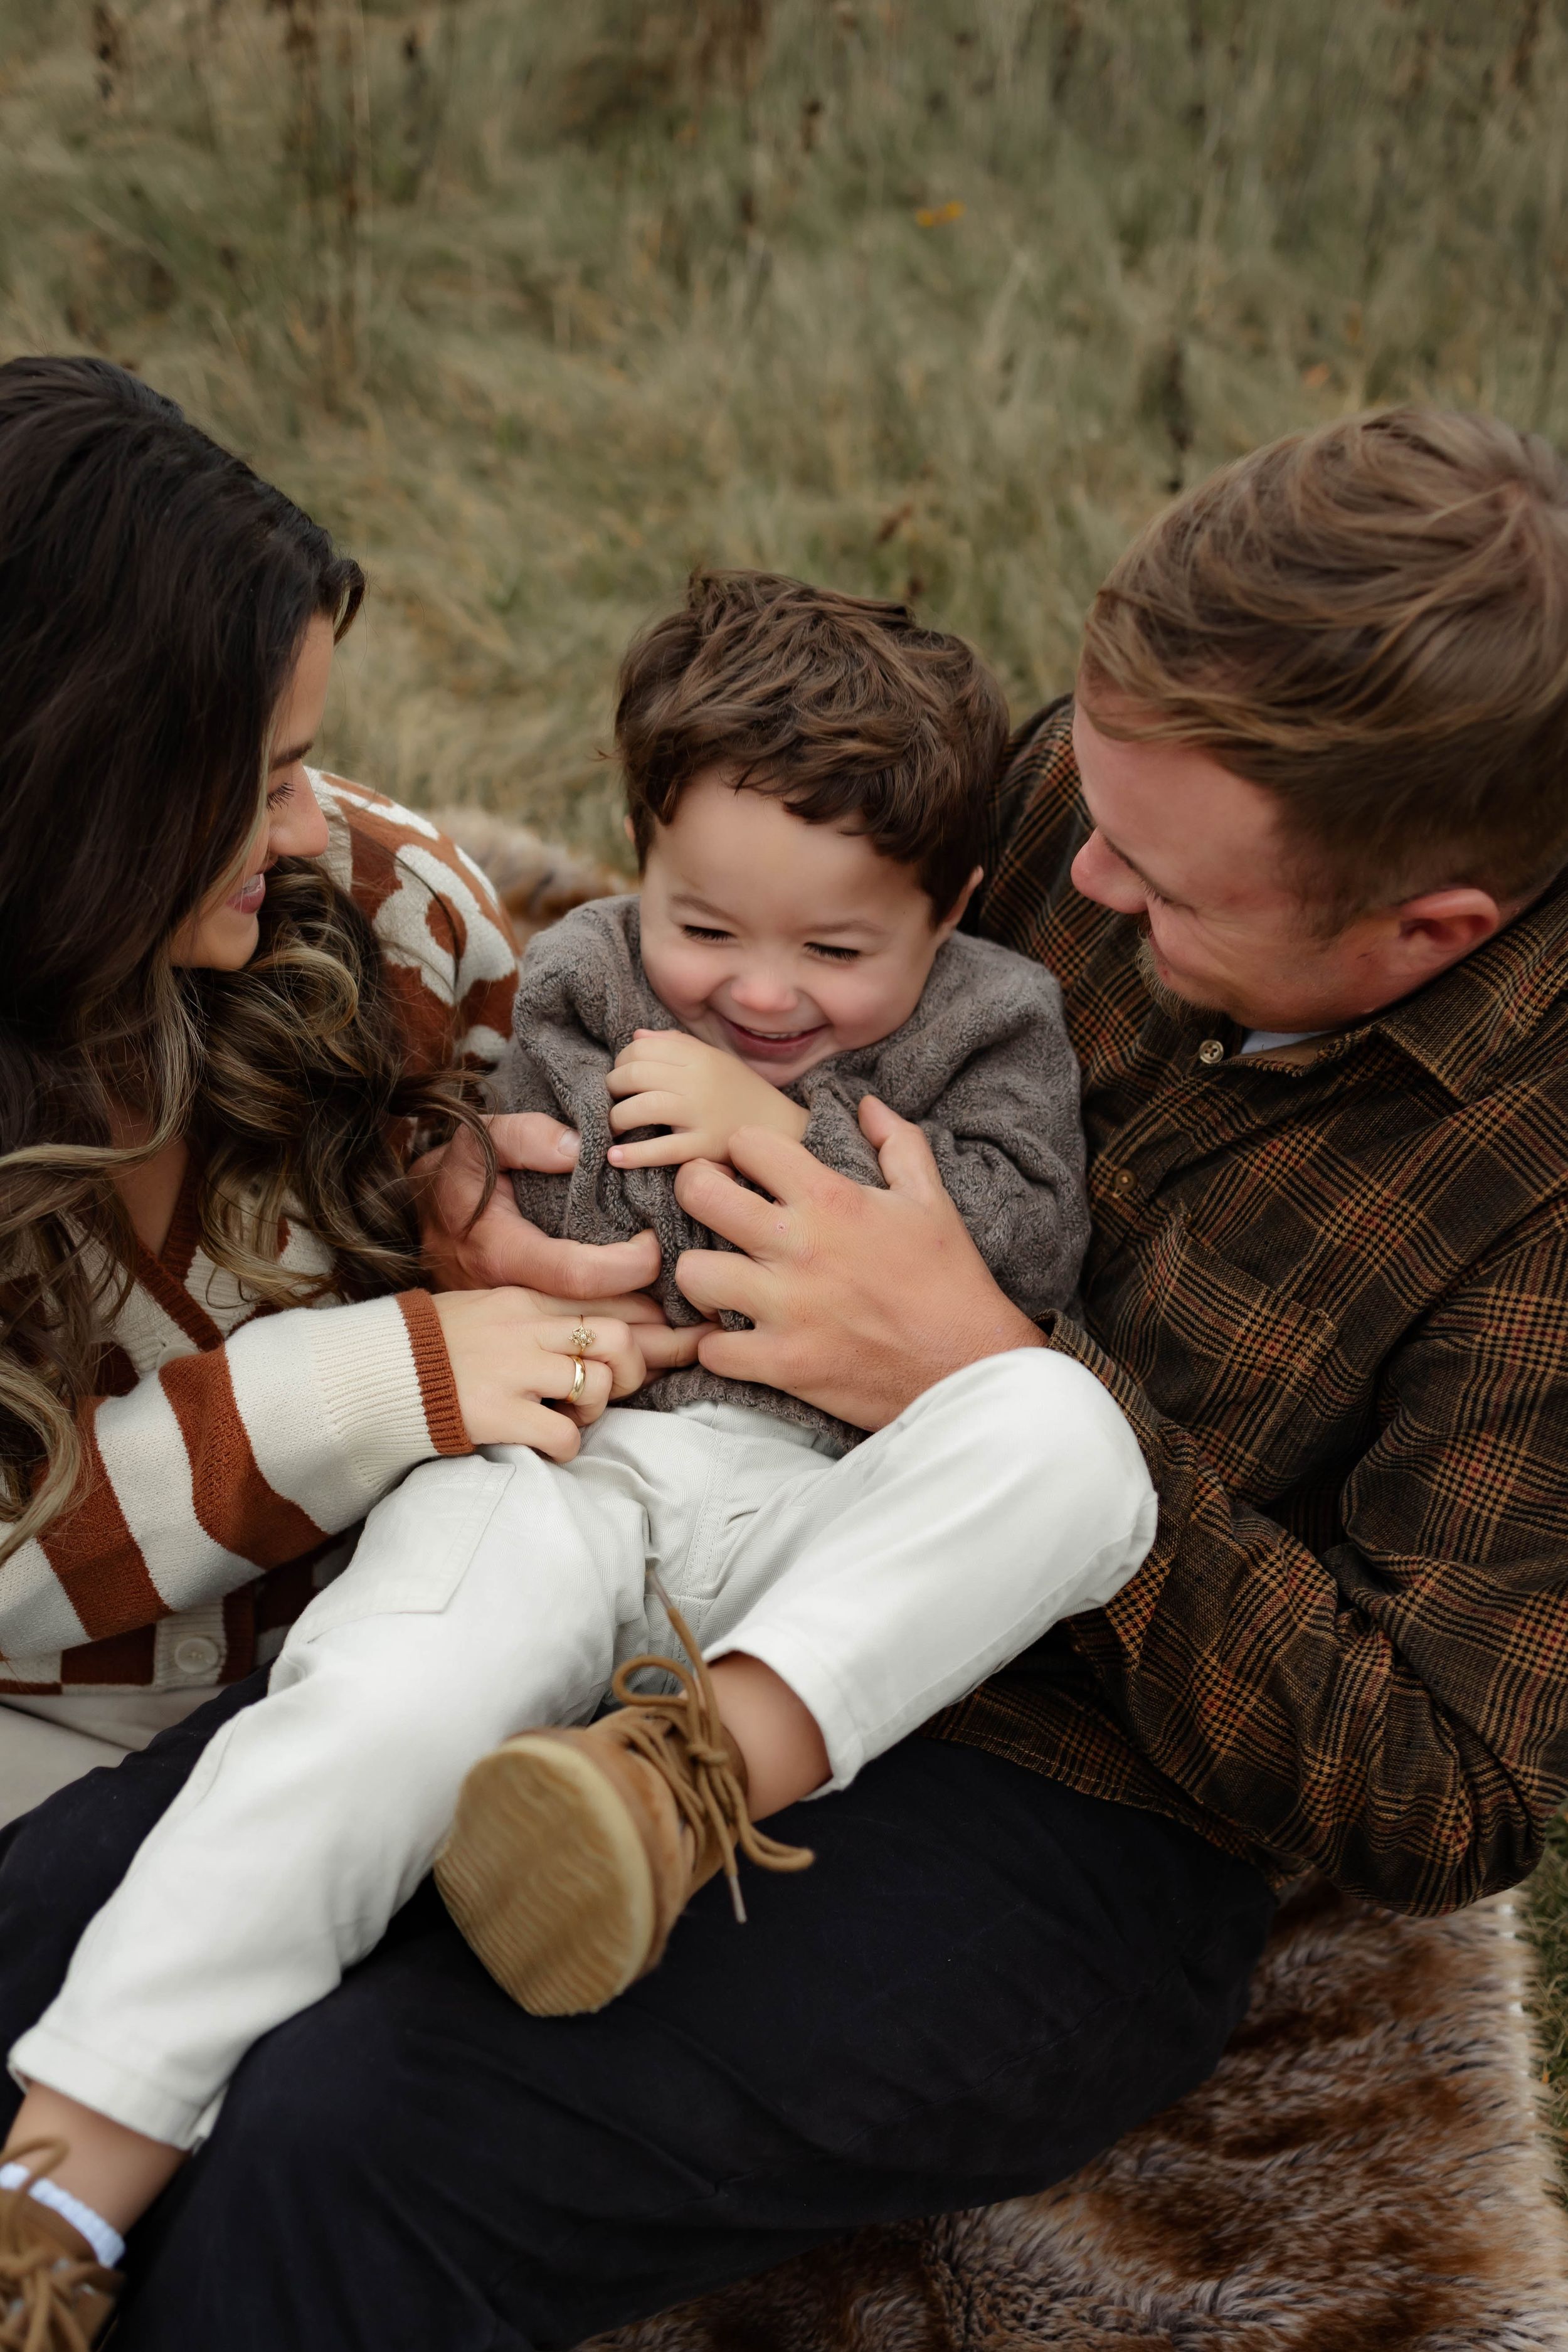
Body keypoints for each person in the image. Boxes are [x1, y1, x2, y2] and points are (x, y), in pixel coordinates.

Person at [3, 404, 1566, 2352]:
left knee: (349, 2130)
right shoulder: (1082, 817)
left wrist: (973, 1360)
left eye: (1164, 893)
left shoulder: (1535, 1202)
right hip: (628, 1523)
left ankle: (665, 1797)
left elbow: (1446, 1794)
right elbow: (694, 984)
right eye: (1074, 802)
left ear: (1431, 930)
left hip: (1044, 1787)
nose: (1070, 879)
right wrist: (488, 1192)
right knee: (54, 1922)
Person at [0, 577, 1157, 2338]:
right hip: (574, 1467)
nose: (759, 990)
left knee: (1073, 1438)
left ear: (952, 909)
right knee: (364, 1724)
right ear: (640, 861)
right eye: (708, 927)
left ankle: (668, 1788)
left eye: (837, 953)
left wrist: (788, 1133)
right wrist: (511, 1213)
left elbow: (1016, 1246)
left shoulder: (996, 1020)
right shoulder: (587, 973)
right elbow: (560, 1221)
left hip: (821, 1519)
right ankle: (68, 2180)